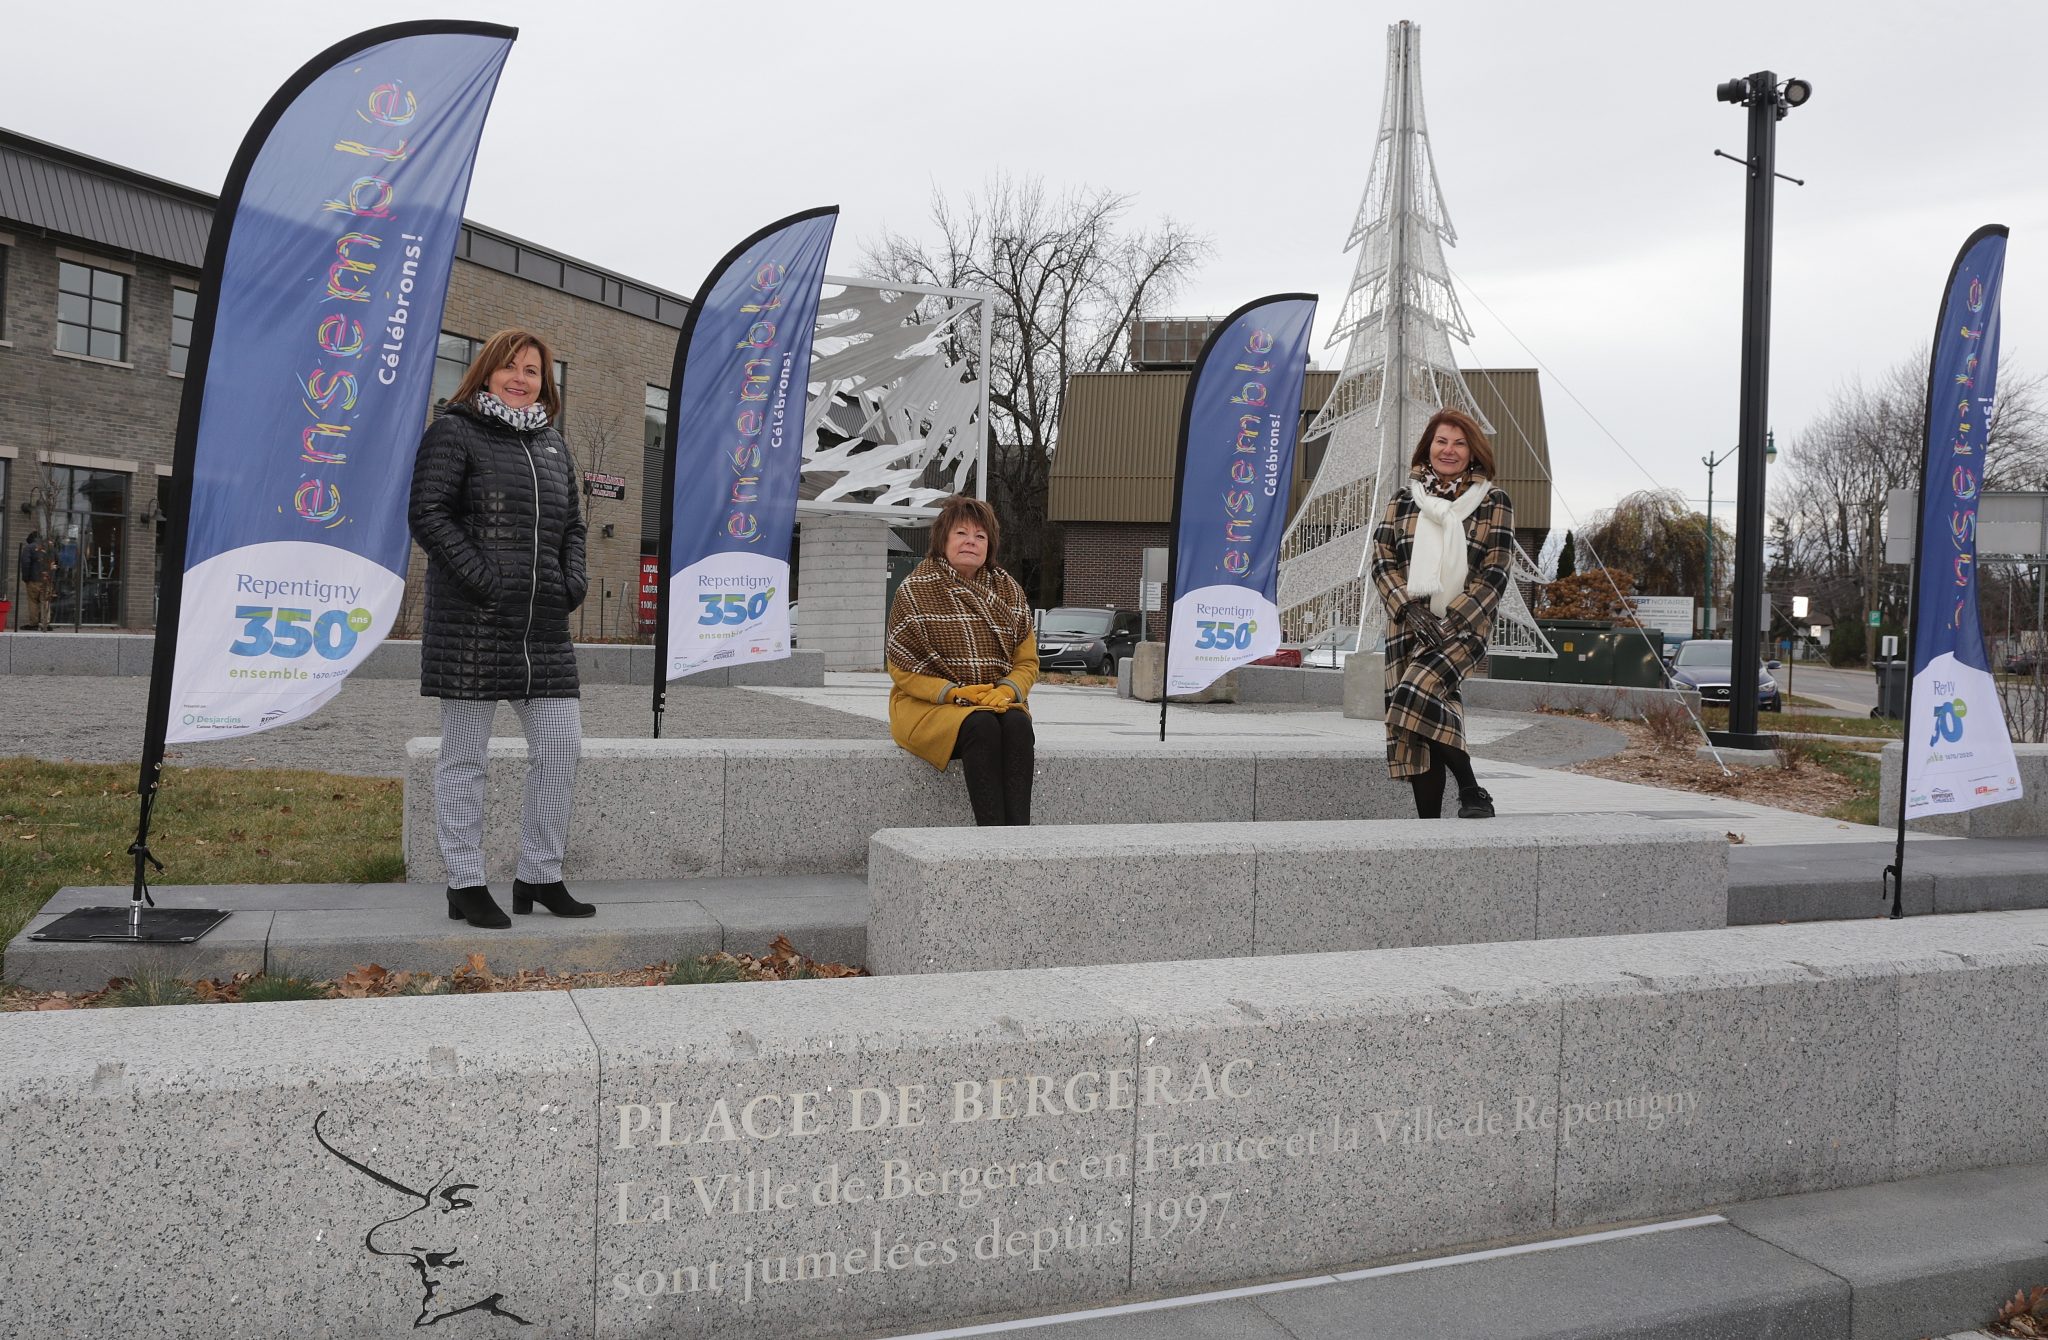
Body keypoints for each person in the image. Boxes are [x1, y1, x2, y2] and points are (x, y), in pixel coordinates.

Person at [408, 328, 594, 928]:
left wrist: (573, 583)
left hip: (543, 630)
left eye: (533, 371)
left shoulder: (554, 447)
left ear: (546, 383)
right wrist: (485, 579)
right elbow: (428, 514)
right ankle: (464, 881)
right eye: (510, 367)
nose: (521, 378)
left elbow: (574, 530)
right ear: (486, 371)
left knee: (560, 749)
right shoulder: (453, 431)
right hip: (472, 628)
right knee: (465, 757)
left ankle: (540, 874)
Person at [1370, 408, 1516, 820]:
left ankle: (1472, 789)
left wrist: (1450, 620)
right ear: (1428, 448)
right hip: (1407, 625)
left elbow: (1495, 571)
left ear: (1473, 452)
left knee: (1413, 693)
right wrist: (1409, 607)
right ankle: (1430, 831)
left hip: (1463, 626)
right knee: (1417, 728)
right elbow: (1382, 561)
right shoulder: (1402, 501)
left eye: (1459, 443)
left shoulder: (1492, 501)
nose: (1448, 450)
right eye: (1441, 441)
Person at [884, 495, 1039, 826]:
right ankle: (991, 838)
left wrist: (1008, 692)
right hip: (930, 705)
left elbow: (1027, 663)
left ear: (990, 545)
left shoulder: (1010, 592)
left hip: (995, 701)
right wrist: (955, 693)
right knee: (979, 725)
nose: (971, 541)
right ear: (943, 540)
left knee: (1018, 725)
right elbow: (902, 670)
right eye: (961, 533)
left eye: (980, 536)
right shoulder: (913, 591)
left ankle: (1019, 838)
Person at [17, 531, 53, 631]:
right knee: (45, 601)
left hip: (33, 580)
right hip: (47, 580)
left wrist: (26, 578)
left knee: (33, 601)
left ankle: (33, 624)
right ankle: (46, 623)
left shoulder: (28, 548)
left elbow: (25, 563)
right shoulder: (49, 547)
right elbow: (56, 561)